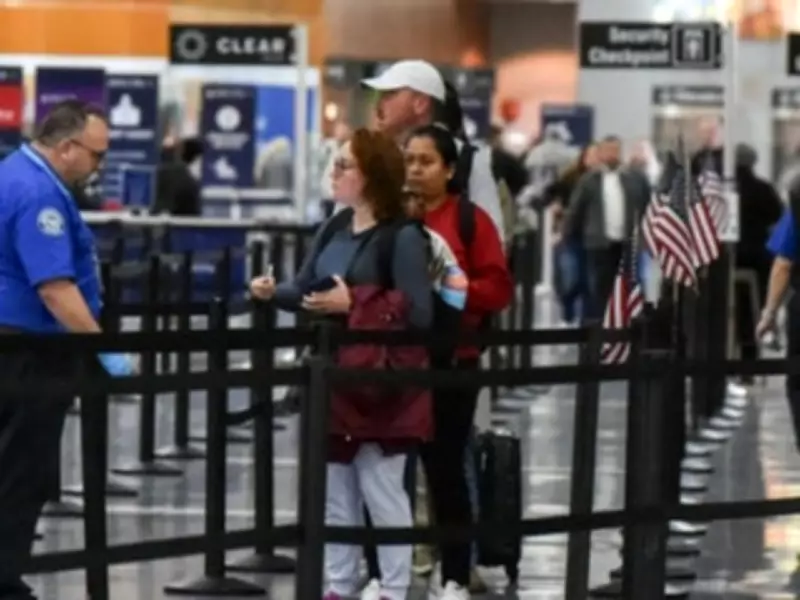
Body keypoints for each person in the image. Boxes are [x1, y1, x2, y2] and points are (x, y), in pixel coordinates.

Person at [249, 128, 433, 600]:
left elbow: (420, 310)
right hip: (332, 377)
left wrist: (355, 302)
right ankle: (339, 582)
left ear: (372, 177)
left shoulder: (404, 237)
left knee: (382, 487)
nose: (334, 173)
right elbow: (307, 288)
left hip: (382, 384)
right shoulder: (332, 228)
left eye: (344, 165)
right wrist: (275, 294)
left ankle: (394, 588)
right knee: (335, 488)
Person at [0, 99, 134, 600]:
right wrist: (102, 348)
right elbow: (55, 288)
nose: (99, 167)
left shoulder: (12, 171)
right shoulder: (39, 196)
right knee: (21, 471)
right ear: (66, 148)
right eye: (96, 156)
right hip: (28, 352)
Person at [404, 124, 513, 600]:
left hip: (454, 360)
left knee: (445, 468)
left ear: (449, 169)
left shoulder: (471, 221)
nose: (415, 170)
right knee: (386, 471)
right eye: (409, 160)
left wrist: (454, 288)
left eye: (426, 162)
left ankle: (454, 573)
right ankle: (388, 571)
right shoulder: (393, 218)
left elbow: (499, 288)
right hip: (397, 361)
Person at [360, 60, 506, 245]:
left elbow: (493, 239)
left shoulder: (468, 160)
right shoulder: (376, 159)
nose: (379, 103)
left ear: (420, 103)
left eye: (390, 94)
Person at [562, 135, 650, 320]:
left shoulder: (635, 178)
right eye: (608, 150)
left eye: (615, 150)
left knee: (631, 287)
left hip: (628, 244)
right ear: (601, 153)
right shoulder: (588, 180)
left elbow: (646, 205)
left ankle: (628, 328)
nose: (612, 155)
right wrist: (568, 235)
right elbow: (576, 210)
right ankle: (603, 330)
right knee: (600, 289)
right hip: (599, 244)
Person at [735, 143, 782, 375]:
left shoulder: (726, 190)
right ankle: (750, 362)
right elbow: (778, 217)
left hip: (728, 259)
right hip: (757, 258)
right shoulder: (763, 189)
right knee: (754, 308)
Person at [547, 143, 599, 325]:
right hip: (571, 234)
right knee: (571, 278)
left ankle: (586, 321)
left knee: (589, 281)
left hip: (592, 236)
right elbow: (552, 193)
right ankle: (567, 312)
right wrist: (557, 206)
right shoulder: (571, 177)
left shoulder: (603, 180)